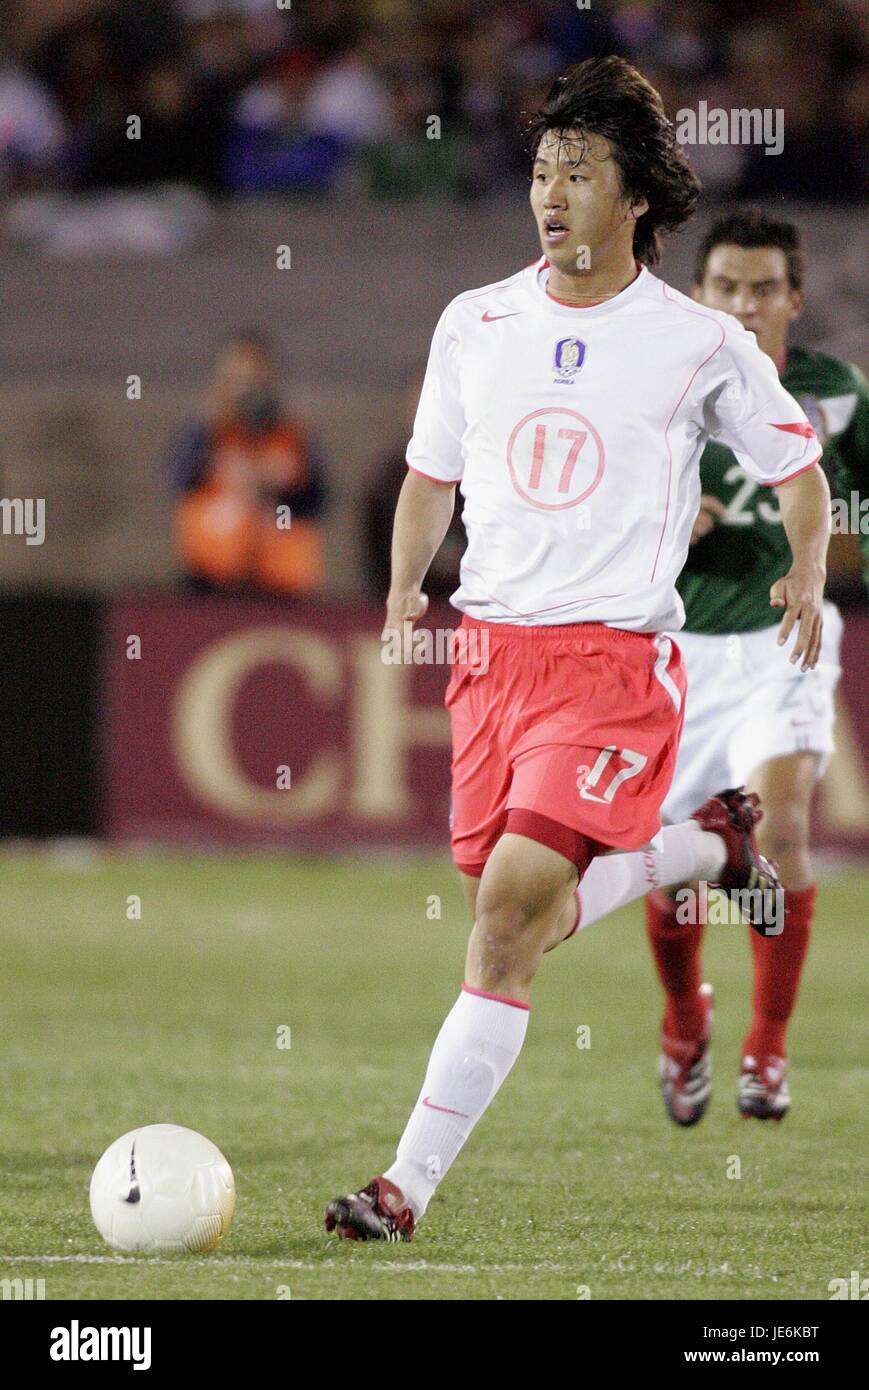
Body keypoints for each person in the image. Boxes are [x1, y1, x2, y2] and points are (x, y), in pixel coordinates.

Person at [325, 56, 830, 1243]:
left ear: (635, 196)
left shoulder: (694, 342)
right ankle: (705, 842)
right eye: (542, 171)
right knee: (528, 920)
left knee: (502, 920)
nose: (551, 195)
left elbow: (796, 467)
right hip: (489, 663)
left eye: (579, 172)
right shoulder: (476, 320)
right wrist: (404, 585)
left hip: (611, 667)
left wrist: (804, 564)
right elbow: (427, 475)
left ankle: (403, 1188)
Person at [629, 213, 868, 1124]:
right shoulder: (658, 390)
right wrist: (658, 525)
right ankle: (684, 1015)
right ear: (698, 296)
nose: (743, 302)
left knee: (780, 833)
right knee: (677, 862)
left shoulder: (833, 393)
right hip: (677, 649)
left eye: (762, 287)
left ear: (793, 300)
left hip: (785, 640)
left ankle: (766, 1050)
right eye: (725, 286)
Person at [167, 329, 329, 596]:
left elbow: (319, 500)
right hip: (209, 576)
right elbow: (177, 478)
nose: (247, 385)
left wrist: (279, 484)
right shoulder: (206, 431)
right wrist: (205, 430)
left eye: (256, 374)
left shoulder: (293, 434)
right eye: (237, 375)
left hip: (280, 579)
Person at [363, 361, 465, 603]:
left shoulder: (482, 470)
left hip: (465, 603)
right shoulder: (388, 477)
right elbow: (376, 545)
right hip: (410, 600)